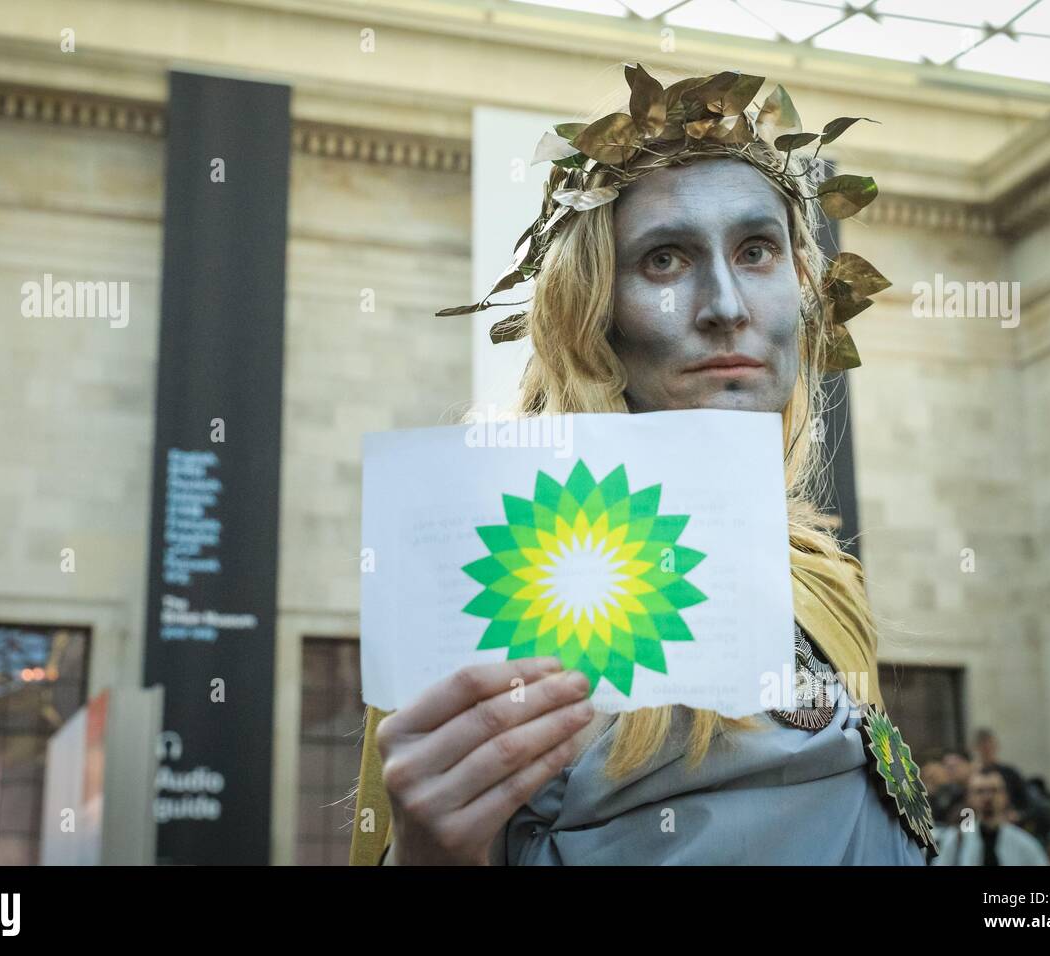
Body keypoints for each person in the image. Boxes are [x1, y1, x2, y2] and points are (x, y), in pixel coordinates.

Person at [349, 64, 933, 865]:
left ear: (804, 292)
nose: (725, 306)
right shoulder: (507, 563)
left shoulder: (820, 576)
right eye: (664, 260)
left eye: (758, 251)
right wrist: (429, 856)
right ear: (592, 313)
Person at [931, 769, 1050, 866]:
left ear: (1005, 797)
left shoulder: (1025, 844)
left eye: (994, 791)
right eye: (980, 791)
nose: (987, 798)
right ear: (969, 798)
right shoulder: (955, 840)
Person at [972, 728, 1028, 816]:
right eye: (983, 746)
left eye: (990, 745)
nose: (987, 750)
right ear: (976, 748)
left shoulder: (1010, 773)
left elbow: (1024, 802)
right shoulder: (971, 775)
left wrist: (1016, 814)